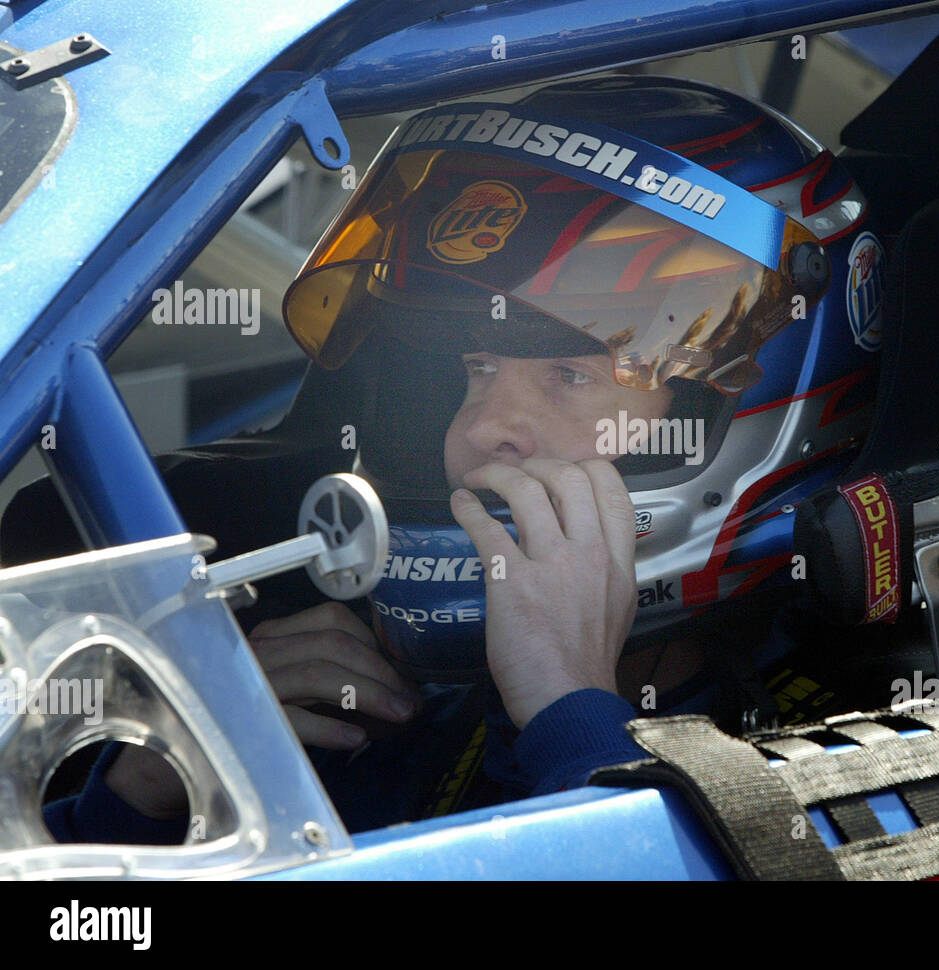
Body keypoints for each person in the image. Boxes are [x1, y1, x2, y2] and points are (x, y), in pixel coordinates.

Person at [38, 74, 887, 841]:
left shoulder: (866, 751)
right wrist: (152, 791)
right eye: (475, 370)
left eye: (568, 373)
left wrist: (569, 710)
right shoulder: (380, 721)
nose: (482, 430)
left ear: (754, 406)